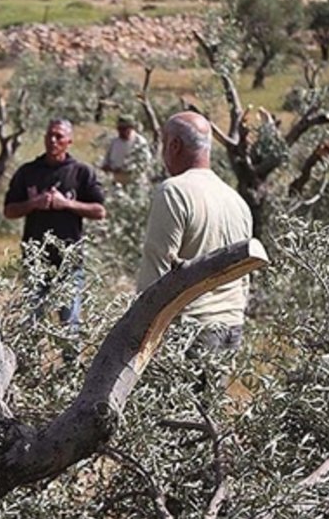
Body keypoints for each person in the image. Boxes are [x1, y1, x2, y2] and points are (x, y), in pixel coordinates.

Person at [138, 111, 254, 353]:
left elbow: (157, 270)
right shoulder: (235, 200)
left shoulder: (174, 192)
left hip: (189, 331)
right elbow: (244, 275)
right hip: (231, 328)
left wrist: (136, 333)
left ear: (175, 145)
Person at [3, 118, 106, 329]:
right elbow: (9, 210)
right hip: (36, 260)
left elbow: (99, 211)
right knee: (31, 324)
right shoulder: (28, 171)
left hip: (69, 262)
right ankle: (29, 362)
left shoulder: (81, 172)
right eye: (49, 135)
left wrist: (65, 203)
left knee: (70, 325)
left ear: (69, 140)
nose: (52, 140)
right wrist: (34, 203)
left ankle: (71, 363)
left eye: (58, 136)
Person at [99, 115, 148, 182]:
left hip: (135, 182)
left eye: (123, 128)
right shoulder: (115, 142)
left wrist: (126, 169)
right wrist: (108, 167)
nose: (120, 131)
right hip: (117, 181)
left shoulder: (140, 142)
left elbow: (145, 163)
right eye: (119, 128)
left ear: (130, 128)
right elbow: (106, 161)